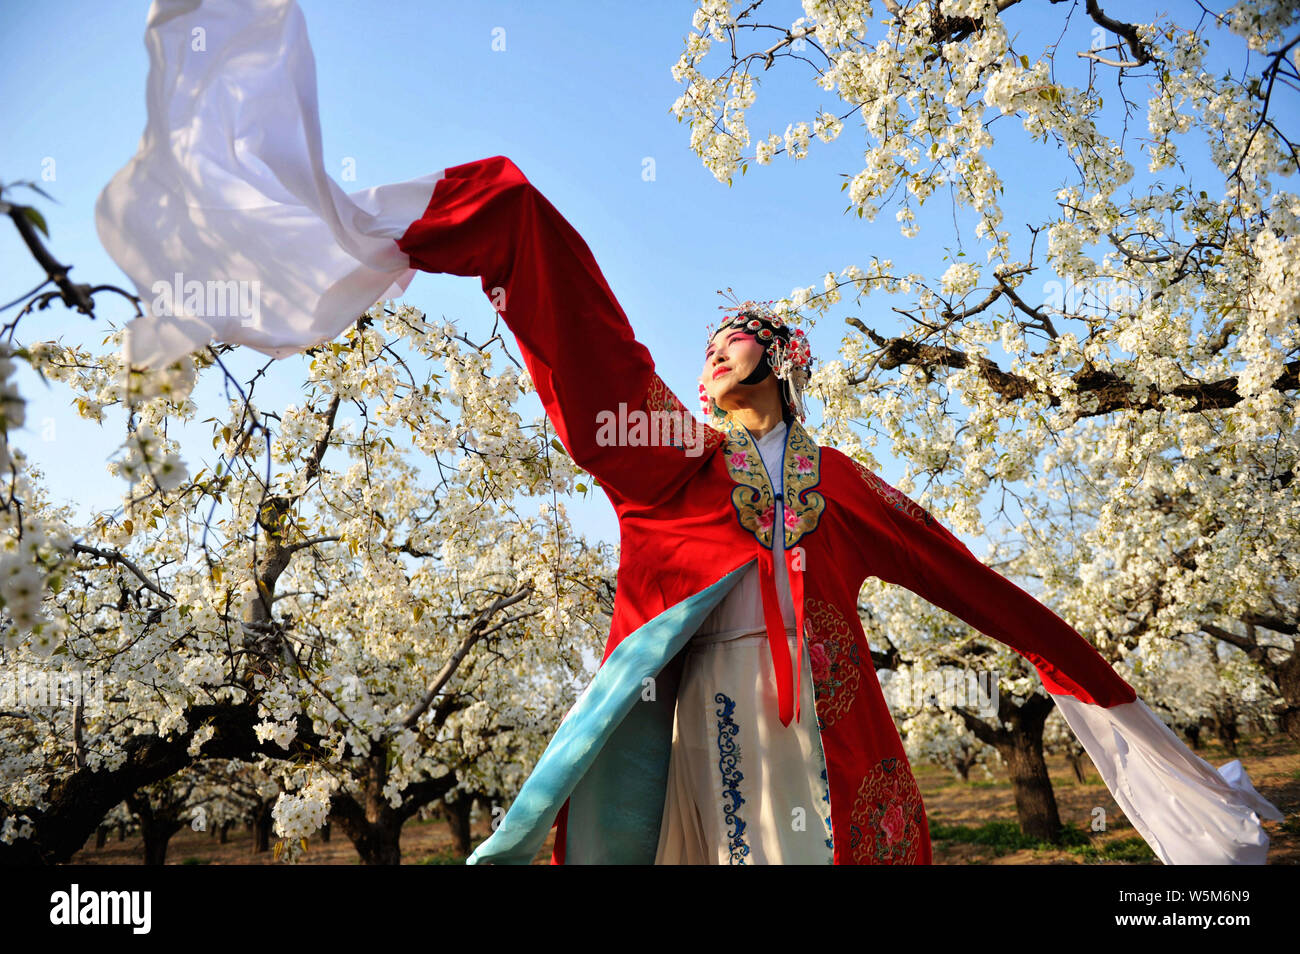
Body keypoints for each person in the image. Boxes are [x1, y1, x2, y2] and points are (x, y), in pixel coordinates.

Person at [96, 0, 1284, 866]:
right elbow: (545, 270)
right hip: (706, 727)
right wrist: (422, 226)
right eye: (706, 341)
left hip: (835, 724)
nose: (710, 350)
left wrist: (1125, 719)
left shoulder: (841, 485)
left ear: (780, 363)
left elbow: (986, 593)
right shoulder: (666, 461)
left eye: (734, 338)